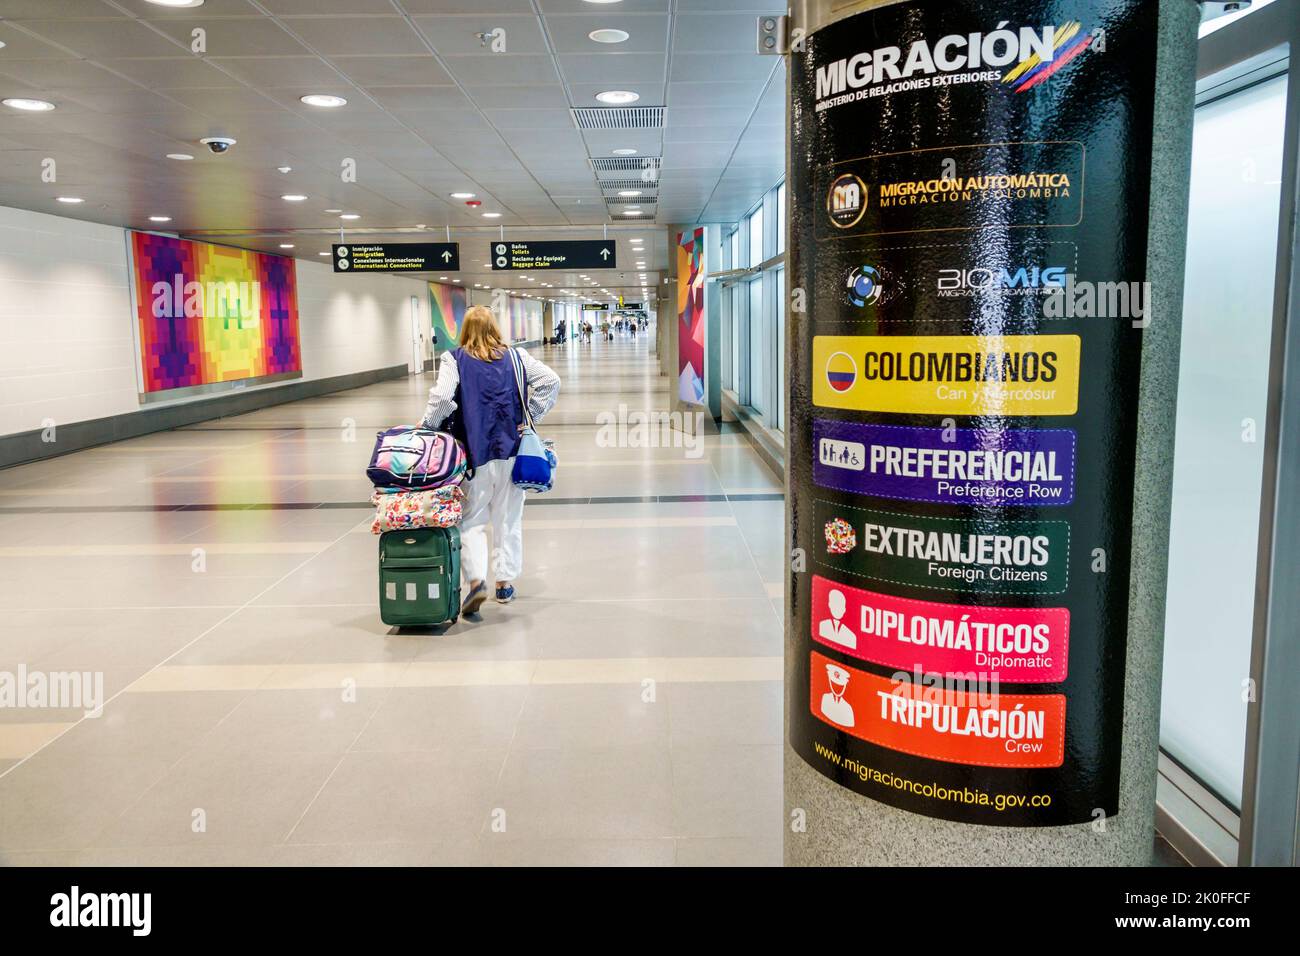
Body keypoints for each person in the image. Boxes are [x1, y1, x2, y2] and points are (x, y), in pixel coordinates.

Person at [420, 306, 560, 613]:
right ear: (495, 327)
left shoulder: (453, 359)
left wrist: (427, 427)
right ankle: (504, 584)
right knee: (508, 519)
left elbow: (443, 398)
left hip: (474, 454)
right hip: (513, 450)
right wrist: (529, 417)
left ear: (465, 329)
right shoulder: (517, 357)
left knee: (471, 520)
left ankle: (476, 581)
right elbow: (550, 381)